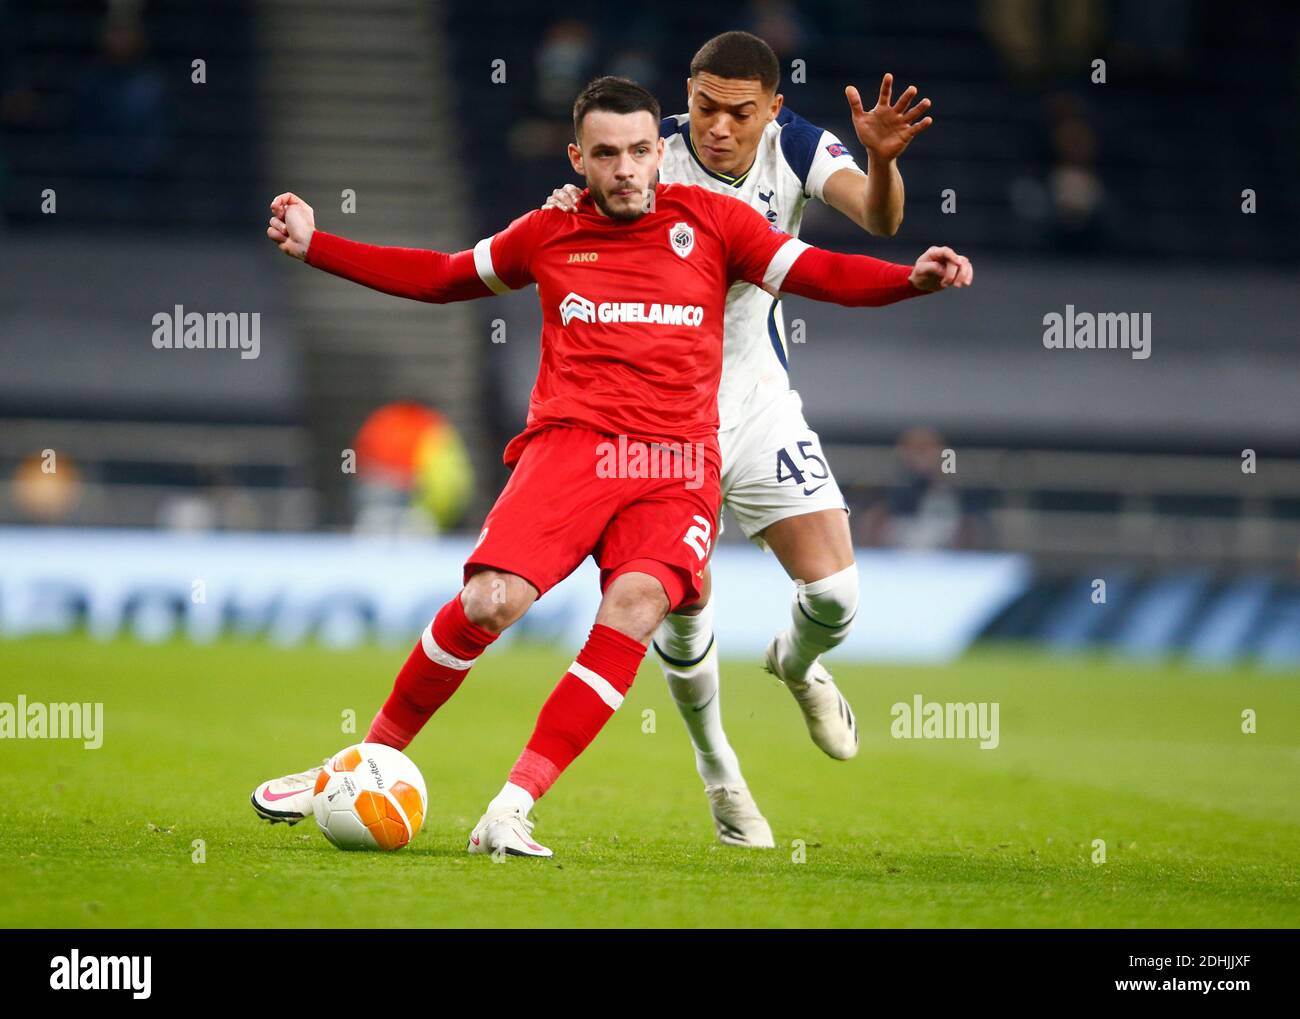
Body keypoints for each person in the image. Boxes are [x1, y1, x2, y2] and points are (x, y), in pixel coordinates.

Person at [252, 75, 972, 857]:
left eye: (638, 151)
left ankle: (512, 807)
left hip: (675, 465)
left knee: (636, 606)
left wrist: (910, 280)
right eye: (606, 154)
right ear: (578, 159)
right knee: (491, 600)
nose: (626, 169)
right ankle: (360, 758)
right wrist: (316, 245)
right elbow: (442, 276)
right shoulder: (548, 230)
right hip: (570, 450)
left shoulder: (717, 223)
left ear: (658, 154)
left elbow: (823, 271)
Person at [543, 31, 939, 844]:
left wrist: (885, 163)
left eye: (739, 113)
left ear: (773, 111)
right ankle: (720, 772)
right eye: (704, 108)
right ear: (684, 98)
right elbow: (582, 208)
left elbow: (877, 217)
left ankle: (793, 663)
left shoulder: (795, 148)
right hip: (656, 420)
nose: (718, 127)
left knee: (835, 596)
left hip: (754, 400)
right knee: (681, 617)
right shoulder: (650, 156)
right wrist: (564, 201)